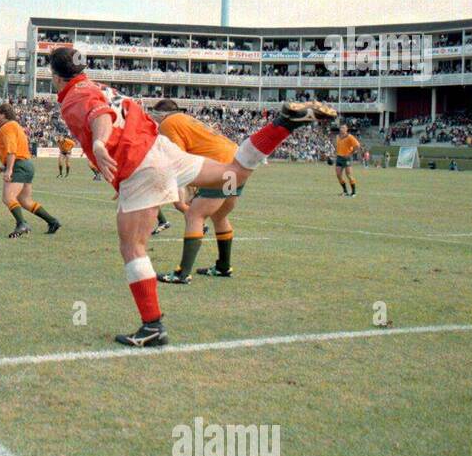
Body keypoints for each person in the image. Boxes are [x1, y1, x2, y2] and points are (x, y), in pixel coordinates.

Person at [48, 46, 335, 347]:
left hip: (140, 164)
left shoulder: (75, 96)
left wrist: (100, 144)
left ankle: (153, 325)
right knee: (234, 172)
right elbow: (108, 110)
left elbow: (99, 116)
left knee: (132, 246)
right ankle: (283, 124)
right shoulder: (99, 85)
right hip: (161, 150)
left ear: (55, 76)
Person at [151, 100, 240, 282]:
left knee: (194, 215)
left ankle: (182, 273)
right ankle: (223, 267)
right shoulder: (185, 119)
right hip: (236, 163)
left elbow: (179, 158)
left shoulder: (168, 123)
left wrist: (187, 189)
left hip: (219, 165)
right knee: (219, 215)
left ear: (160, 115)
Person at [0, 103, 60, 238]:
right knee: (25, 200)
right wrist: (7, 166)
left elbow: (12, 150)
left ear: (3, 114)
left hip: (19, 165)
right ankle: (52, 221)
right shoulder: (16, 126)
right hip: (26, 164)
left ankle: (22, 224)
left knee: (8, 197)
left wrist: (10, 169)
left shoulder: (7, 127)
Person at [334, 123, 360, 196]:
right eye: (340, 127)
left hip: (347, 158)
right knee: (338, 175)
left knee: (348, 175)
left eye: (343, 127)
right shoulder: (337, 137)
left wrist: (350, 153)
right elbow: (338, 147)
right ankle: (345, 191)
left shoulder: (350, 137)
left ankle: (354, 192)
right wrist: (334, 154)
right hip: (339, 157)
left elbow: (357, 146)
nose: (341, 129)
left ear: (346, 129)